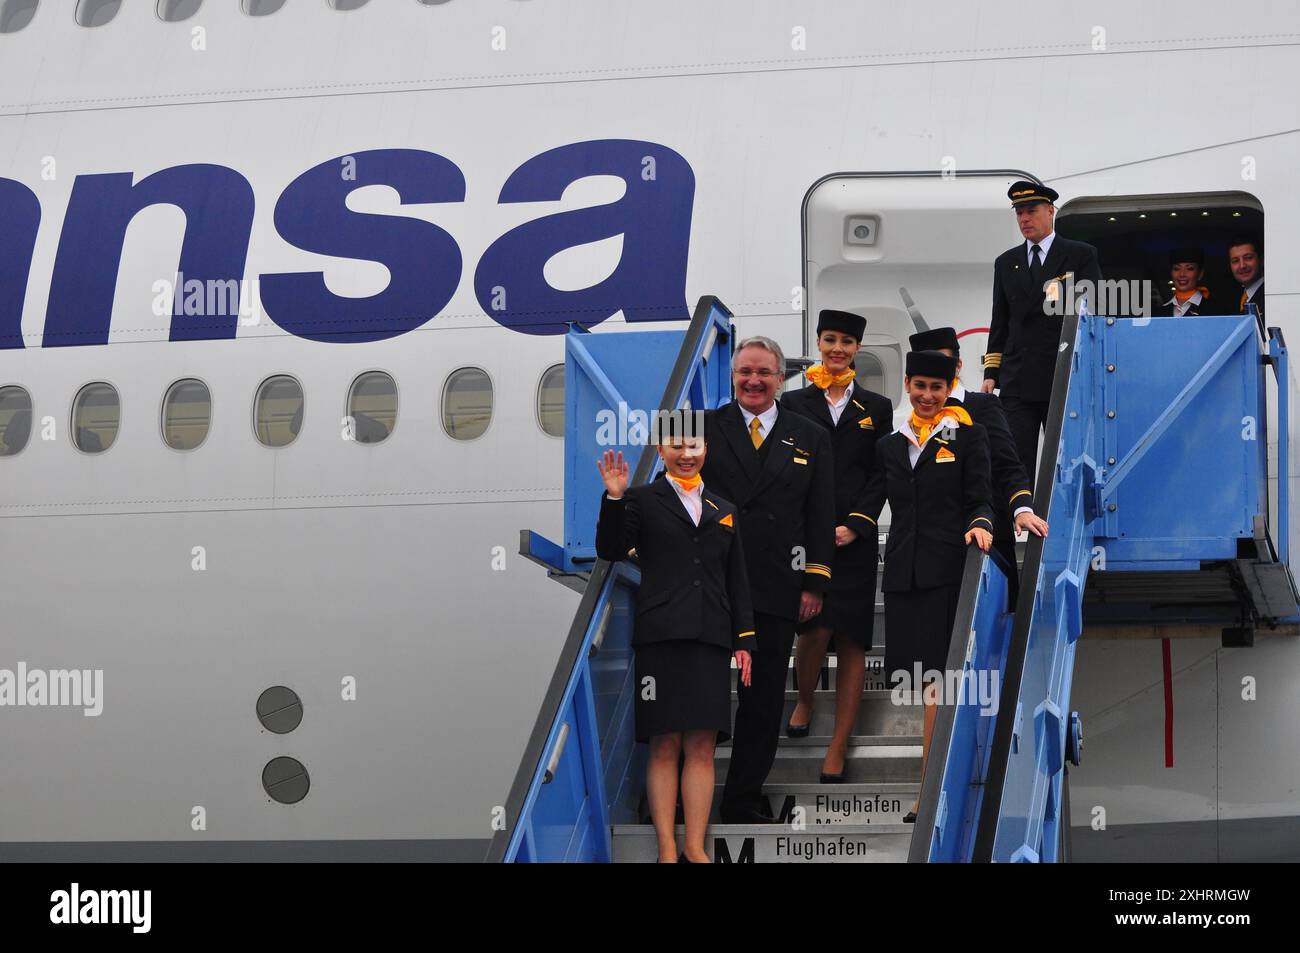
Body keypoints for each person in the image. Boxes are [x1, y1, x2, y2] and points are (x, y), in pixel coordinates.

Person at [595, 425, 755, 863]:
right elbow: (612, 548)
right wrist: (613, 497)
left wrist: (745, 640)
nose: (687, 454)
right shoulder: (642, 500)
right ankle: (667, 848)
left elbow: (736, 579)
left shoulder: (724, 508)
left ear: (707, 448)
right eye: (677, 445)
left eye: (695, 445)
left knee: (702, 744)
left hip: (711, 635)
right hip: (662, 634)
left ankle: (695, 847)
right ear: (661, 449)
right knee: (665, 742)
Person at [703, 336, 836, 823]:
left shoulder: (810, 433)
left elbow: (821, 514)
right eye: (744, 372)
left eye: (763, 373)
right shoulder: (703, 428)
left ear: (781, 378)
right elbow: (671, 490)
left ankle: (741, 797)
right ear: (733, 377)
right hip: (713, 583)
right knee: (702, 694)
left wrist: (814, 582)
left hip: (779, 584)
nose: (753, 381)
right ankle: (679, 795)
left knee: (761, 701)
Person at [861, 349, 994, 823]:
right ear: (908, 387)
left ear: (948, 389)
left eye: (936, 388)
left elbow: (981, 495)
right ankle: (938, 783)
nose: (927, 396)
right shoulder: (889, 445)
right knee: (921, 688)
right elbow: (871, 500)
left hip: (946, 573)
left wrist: (980, 524)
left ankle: (931, 791)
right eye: (919, 387)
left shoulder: (967, 436)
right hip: (903, 578)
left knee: (939, 685)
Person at [779, 309, 894, 782]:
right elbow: (786, 472)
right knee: (811, 630)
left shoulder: (877, 407)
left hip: (855, 539)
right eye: (830, 339)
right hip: (809, 539)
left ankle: (839, 744)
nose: (838, 348)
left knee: (851, 641)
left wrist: (857, 525)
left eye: (847, 341)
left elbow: (881, 473)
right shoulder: (793, 403)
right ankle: (805, 696)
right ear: (819, 342)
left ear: (856, 349)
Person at [910, 327, 1047, 604]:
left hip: (987, 536)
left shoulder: (982, 406)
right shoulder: (910, 424)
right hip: (930, 545)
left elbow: (1008, 464)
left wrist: (1021, 508)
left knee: (995, 625)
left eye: (942, 360)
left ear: (957, 366)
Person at [983, 181, 1102, 493]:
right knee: (1014, 462)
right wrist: (991, 372)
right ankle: (1014, 531)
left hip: (1061, 376)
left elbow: (1094, 314)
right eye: (1019, 213)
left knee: (1067, 460)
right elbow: (1001, 320)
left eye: (1031, 211)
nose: (1024, 219)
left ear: (1051, 211)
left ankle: (1060, 533)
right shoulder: (1006, 262)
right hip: (1018, 379)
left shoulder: (1079, 256)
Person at [1157, 247, 1211, 317]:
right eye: (1176, 269)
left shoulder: (1214, 310)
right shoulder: (1159, 312)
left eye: (1189, 268)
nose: (1182, 274)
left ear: (1200, 274)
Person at [1228, 237, 1265, 331]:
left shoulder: (1269, 295)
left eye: (1248, 258)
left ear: (1262, 260)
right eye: (1235, 261)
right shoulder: (1234, 297)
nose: (1242, 266)